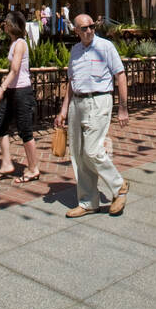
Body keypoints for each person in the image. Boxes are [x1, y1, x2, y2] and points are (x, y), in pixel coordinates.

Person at [55, 13, 129, 217]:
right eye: (84, 28)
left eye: (91, 27)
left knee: (92, 150)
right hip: (77, 103)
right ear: (76, 31)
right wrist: (63, 110)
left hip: (99, 100)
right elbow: (71, 81)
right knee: (78, 154)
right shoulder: (75, 51)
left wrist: (123, 108)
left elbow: (120, 76)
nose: (89, 31)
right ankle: (88, 202)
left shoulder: (105, 47)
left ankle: (119, 185)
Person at [0, 11, 40, 181]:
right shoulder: (14, 43)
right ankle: (6, 163)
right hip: (12, 90)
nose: (4, 25)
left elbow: (15, 69)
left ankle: (33, 168)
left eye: (6, 23)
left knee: (25, 129)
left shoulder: (20, 44)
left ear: (11, 25)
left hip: (21, 91)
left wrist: (0, 89)